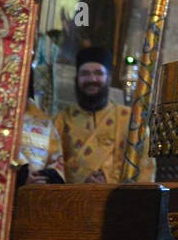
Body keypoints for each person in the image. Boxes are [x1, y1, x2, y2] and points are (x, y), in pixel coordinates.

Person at [52, 46, 154, 184]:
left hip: (120, 202)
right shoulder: (61, 120)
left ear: (109, 78)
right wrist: (82, 181)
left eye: (98, 73)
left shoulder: (131, 119)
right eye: (85, 74)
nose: (92, 79)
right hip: (73, 200)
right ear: (76, 79)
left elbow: (145, 167)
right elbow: (52, 166)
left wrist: (108, 181)